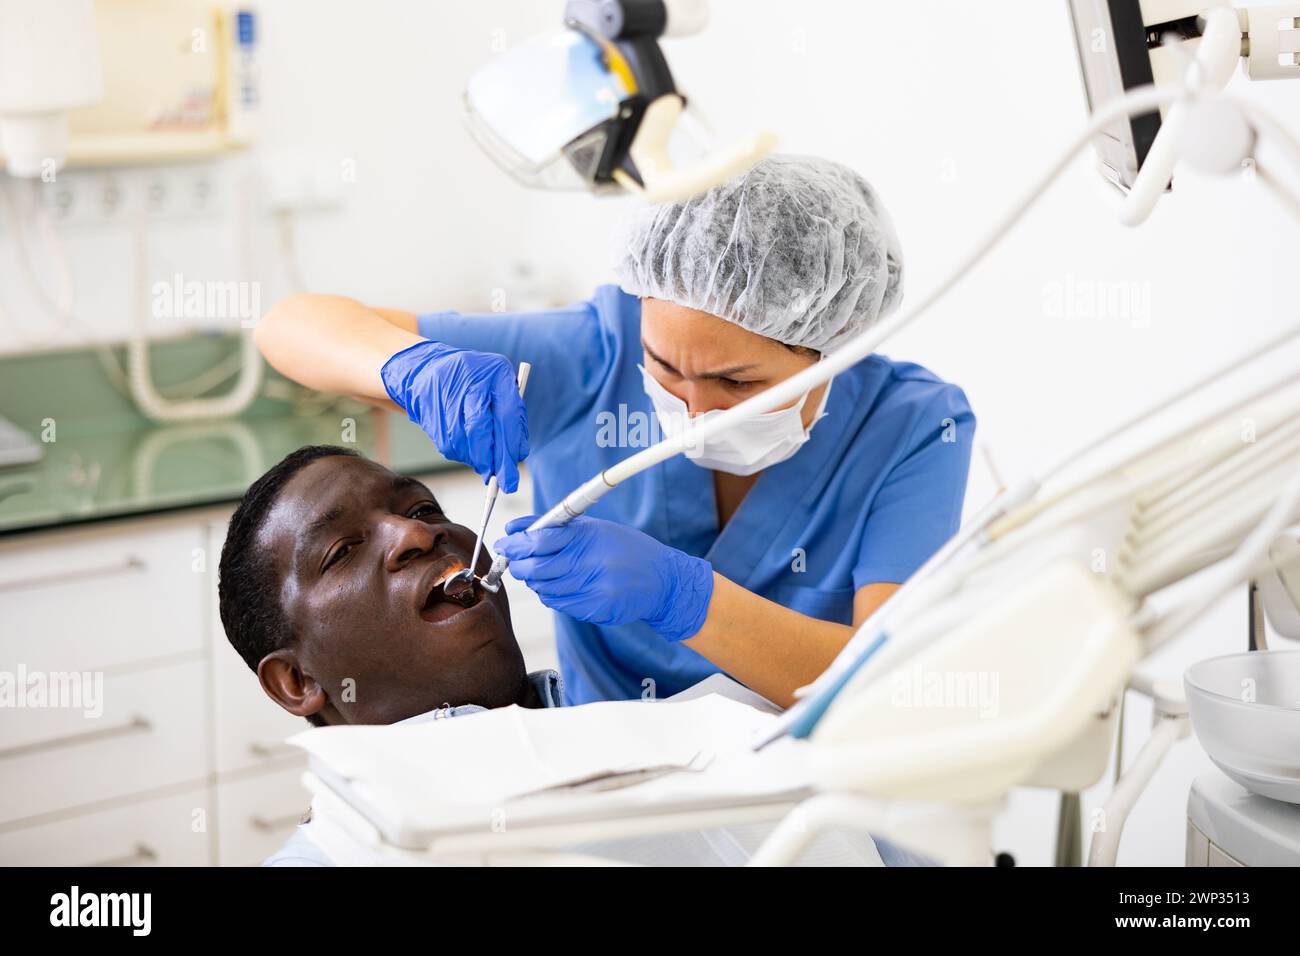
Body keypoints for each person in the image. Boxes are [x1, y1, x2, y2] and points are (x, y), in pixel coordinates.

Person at [256, 154, 975, 709]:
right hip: (609, 802)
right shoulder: (597, 351)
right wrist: (412, 367)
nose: (692, 410)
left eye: (737, 383)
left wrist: (684, 598)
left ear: (837, 344)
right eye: (663, 366)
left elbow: (888, 685)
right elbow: (290, 327)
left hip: (808, 809)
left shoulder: (912, 427)